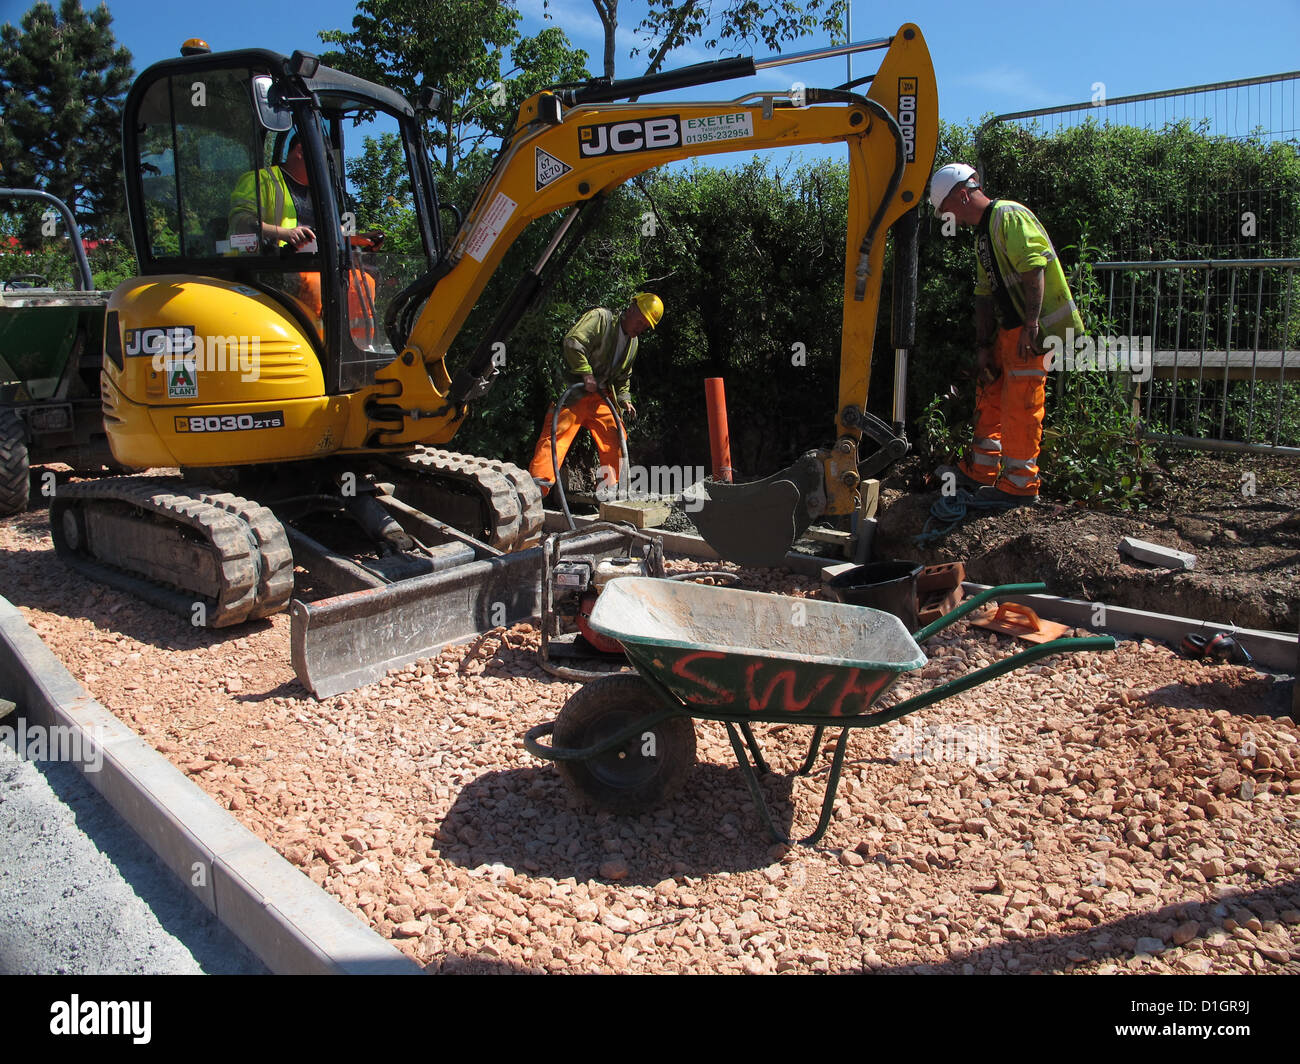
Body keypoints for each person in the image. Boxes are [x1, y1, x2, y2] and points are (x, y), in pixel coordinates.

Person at [928, 163, 1084, 505]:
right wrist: (984, 346)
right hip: (1010, 329)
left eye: (947, 208)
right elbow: (985, 293)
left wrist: (1031, 326)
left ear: (963, 195)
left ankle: (1019, 486)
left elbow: (1033, 269)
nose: (946, 217)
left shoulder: (1008, 217)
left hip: (1032, 330)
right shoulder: (983, 234)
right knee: (990, 388)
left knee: (1021, 403)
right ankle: (980, 471)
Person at [528, 293, 663, 494]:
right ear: (631, 308)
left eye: (646, 326)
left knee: (615, 436)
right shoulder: (601, 319)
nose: (641, 328)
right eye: (641, 321)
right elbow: (573, 342)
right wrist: (586, 373)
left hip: (601, 397)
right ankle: (536, 490)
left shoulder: (632, 344)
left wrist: (625, 399)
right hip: (574, 394)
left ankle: (611, 491)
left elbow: (623, 376)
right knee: (558, 436)